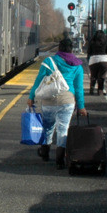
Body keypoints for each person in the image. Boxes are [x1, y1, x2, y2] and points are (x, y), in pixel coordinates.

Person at [28, 38, 86, 169]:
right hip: (67, 100)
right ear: (72, 49)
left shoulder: (49, 61)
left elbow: (38, 81)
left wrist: (31, 97)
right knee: (63, 129)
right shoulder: (77, 65)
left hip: (49, 99)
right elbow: (79, 89)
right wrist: (81, 107)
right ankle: (60, 160)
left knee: (48, 127)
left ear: (59, 48)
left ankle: (45, 153)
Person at [87, 30, 107, 95]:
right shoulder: (105, 42)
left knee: (93, 75)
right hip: (104, 60)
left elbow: (89, 52)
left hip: (93, 60)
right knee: (102, 76)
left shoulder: (92, 42)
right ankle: (100, 91)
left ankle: (92, 87)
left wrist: (88, 60)